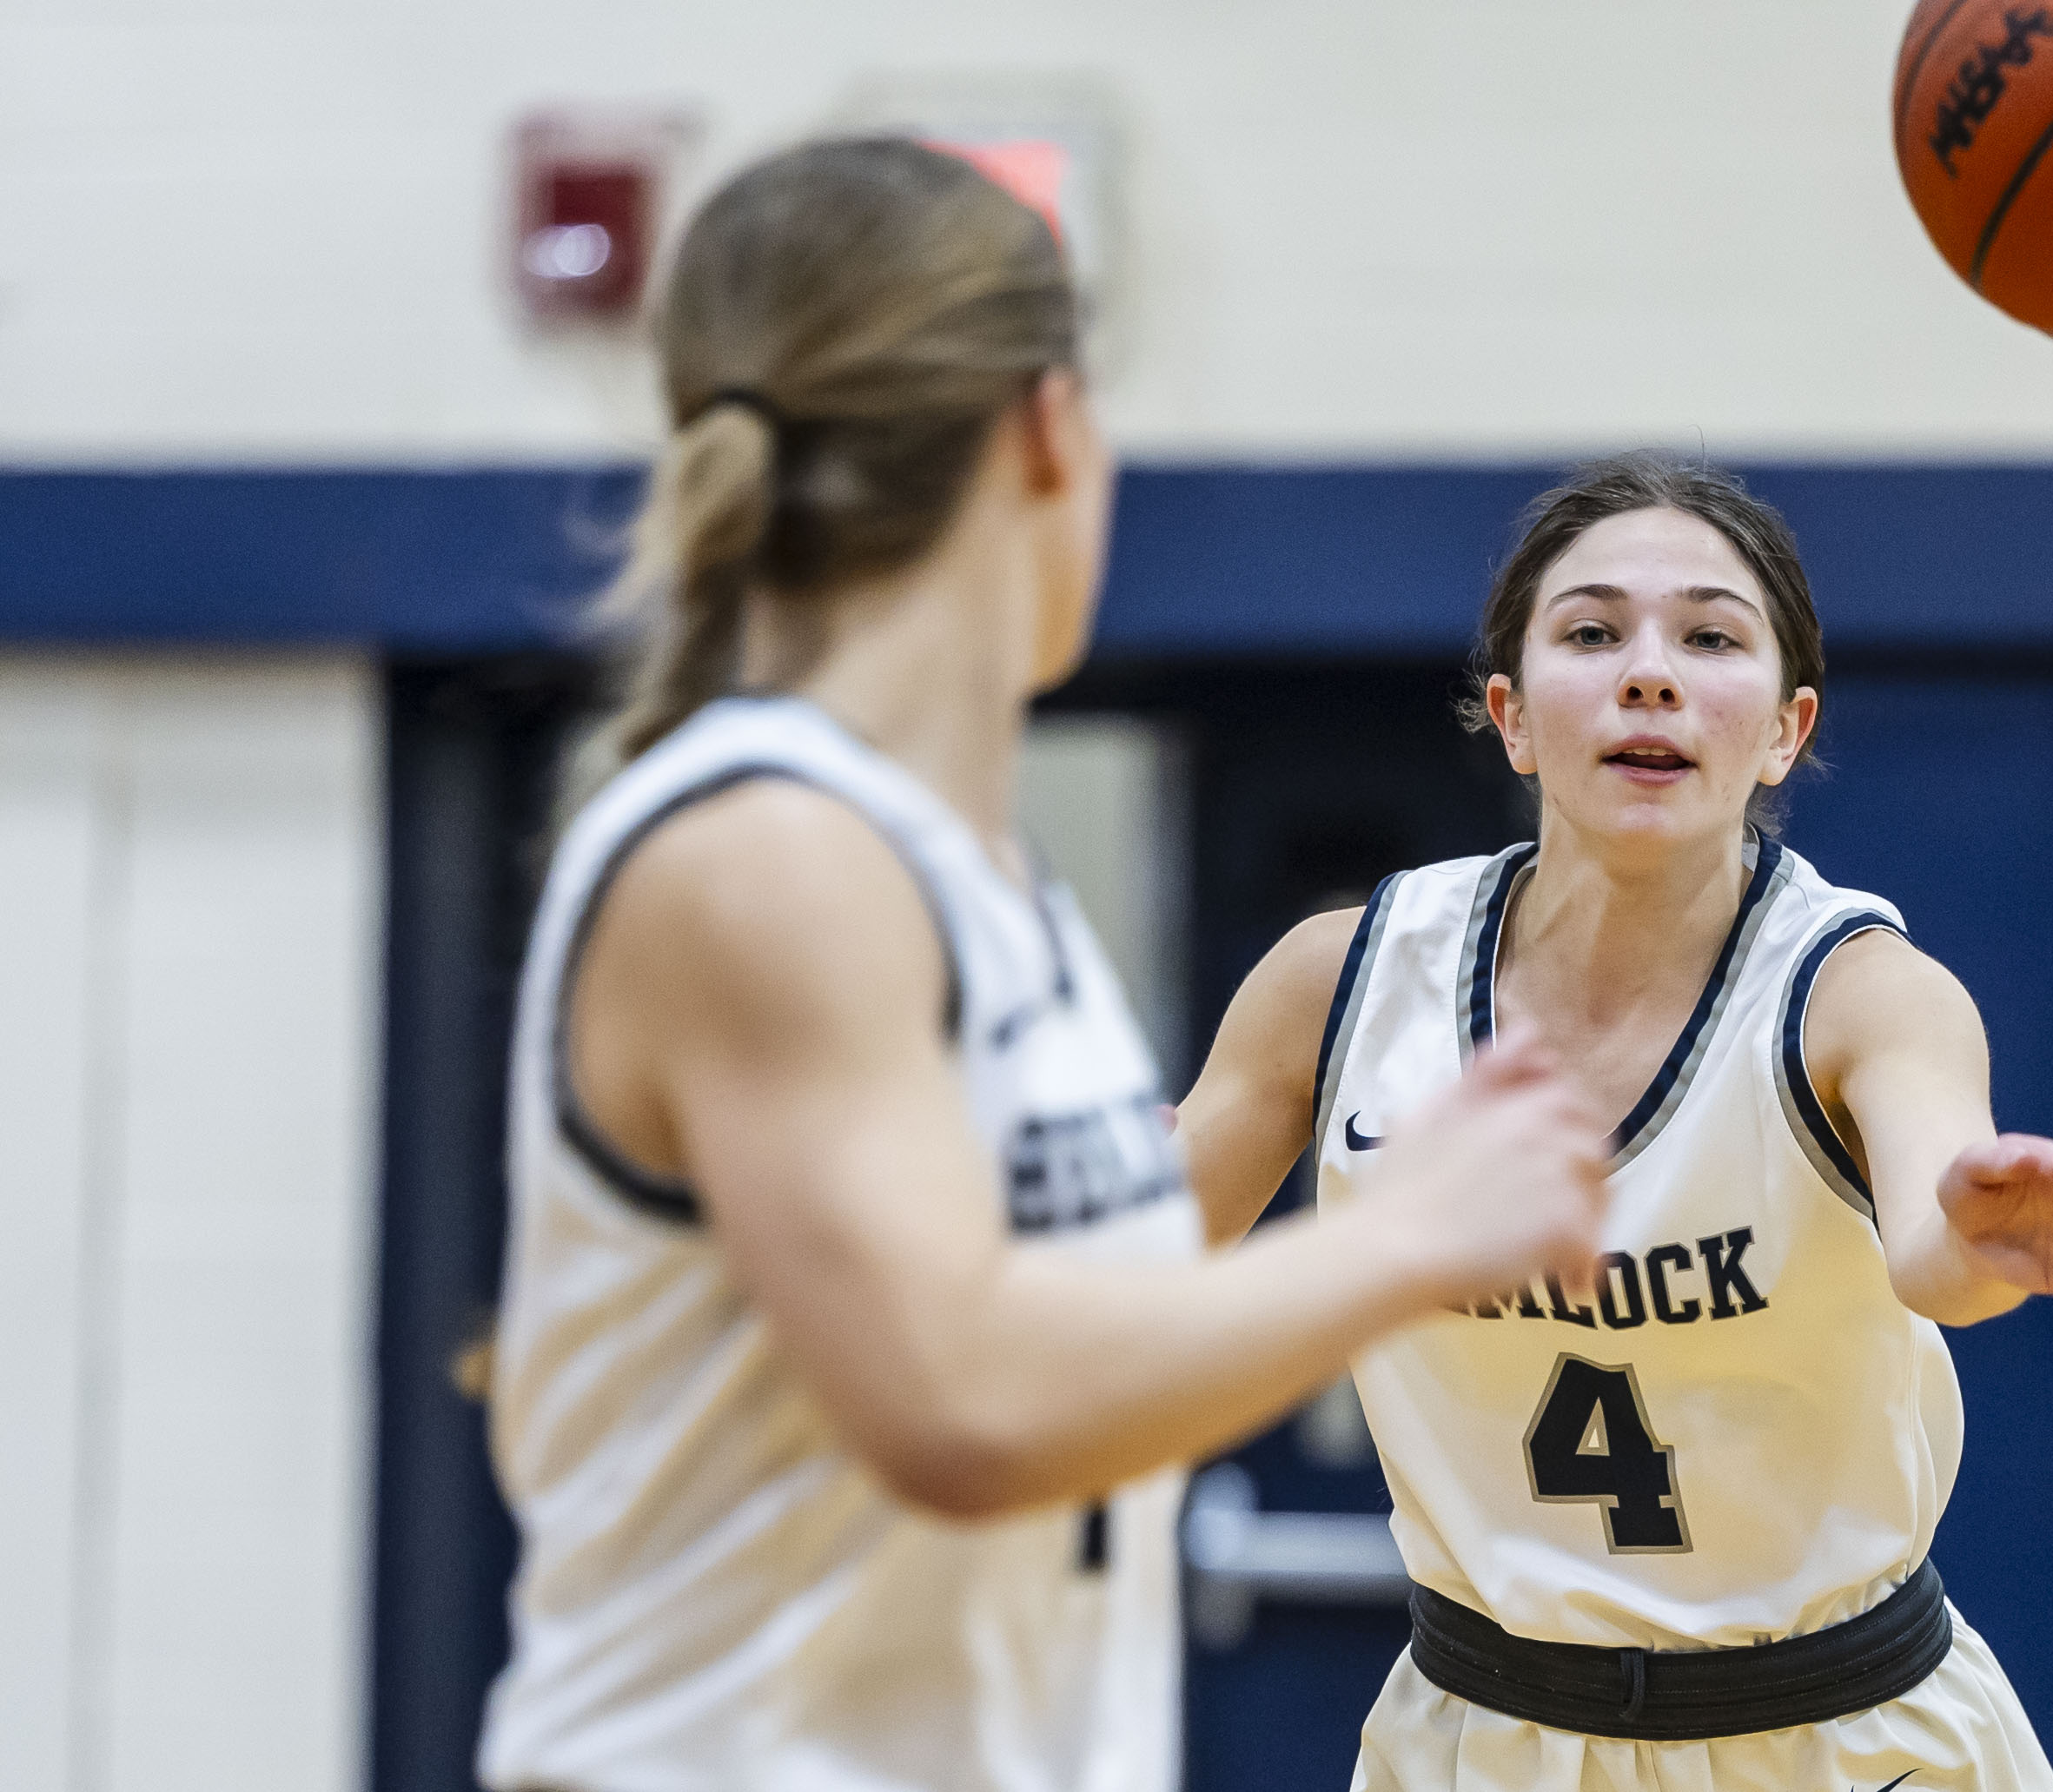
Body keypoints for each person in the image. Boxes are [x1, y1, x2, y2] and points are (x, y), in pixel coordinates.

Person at [475, 137, 1609, 1792]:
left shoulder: (987, 884)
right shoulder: (767, 853)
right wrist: (1416, 1237)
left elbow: (1058, 1343)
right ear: (1047, 430)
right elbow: (963, 1402)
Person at [1176, 453, 2053, 1791]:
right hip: (1486, 1734)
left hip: (1839, 1736)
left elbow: (1936, 1245)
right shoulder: (1336, 987)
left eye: (1709, 636)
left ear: (1785, 730)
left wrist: (1985, 1241)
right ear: (1512, 720)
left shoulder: (1861, 994)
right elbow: (1121, 1267)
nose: (1650, 673)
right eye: (1593, 633)